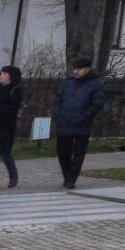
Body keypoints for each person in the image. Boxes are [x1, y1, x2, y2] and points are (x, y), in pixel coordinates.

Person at [54, 59, 107, 190]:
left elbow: (98, 104)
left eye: (80, 69)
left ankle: (71, 179)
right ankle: (67, 176)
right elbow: (58, 100)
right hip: (64, 123)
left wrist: (85, 117)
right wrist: (58, 115)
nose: (76, 71)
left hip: (82, 125)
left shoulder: (95, 84)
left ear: (87, 69)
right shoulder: (67, 83)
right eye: (75, 69)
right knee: (63, 153)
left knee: (78, 154)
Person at [0, 65, 20, 188]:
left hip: (5, 127)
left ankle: (13, 176)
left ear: (11, 77)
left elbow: (11, 109)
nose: (2, 76)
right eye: (1, 73)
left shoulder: (16, 90)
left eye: (5, 74)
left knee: (5, 153)